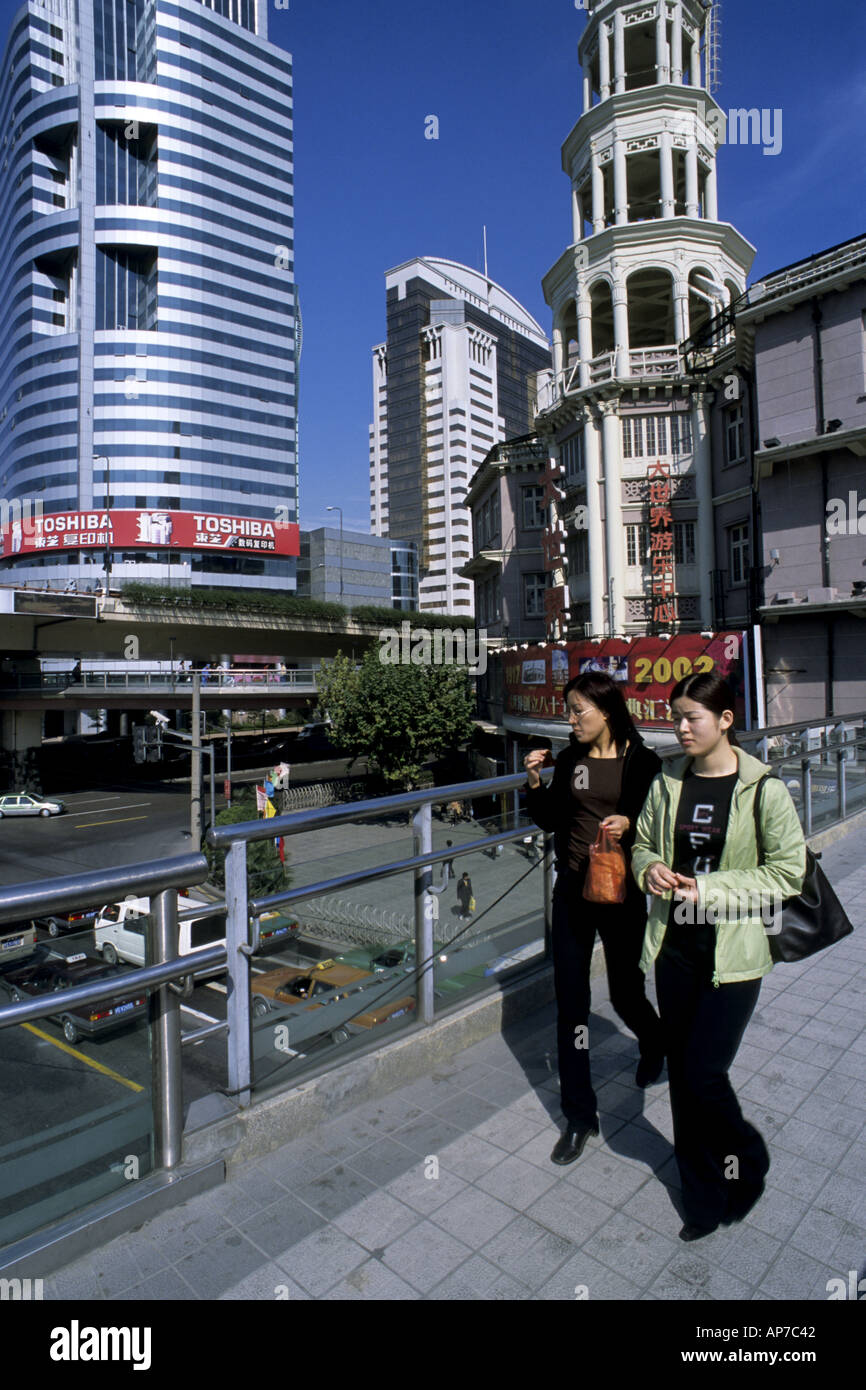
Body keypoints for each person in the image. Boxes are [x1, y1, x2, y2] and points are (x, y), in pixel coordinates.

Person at [631, 672, 806, 1242]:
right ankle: (702, 1197)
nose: (680, 727)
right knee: (683, 1079)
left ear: (725, 720)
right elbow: (642, 846)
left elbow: (787, 873)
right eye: (675, 716)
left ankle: (747, 1157)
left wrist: (706, 890)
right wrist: (649, 868)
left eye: (692, 718)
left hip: (733, 958)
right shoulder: (666, 782)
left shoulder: (763, 789)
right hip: (674, 951)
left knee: (705, 1074)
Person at [524, 671, 664, 1166]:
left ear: (605, 711)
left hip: (623, 892)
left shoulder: (643, 761)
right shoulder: (570, 759)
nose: (570, 719)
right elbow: (550, 819)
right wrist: (535, 780)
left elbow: (659, 821)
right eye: (568, 711)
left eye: (577, 711)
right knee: (573, 1005)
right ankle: (580, 1116)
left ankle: (654, 1042)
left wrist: (630, 822)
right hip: (574, 893)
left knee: (626, 991)